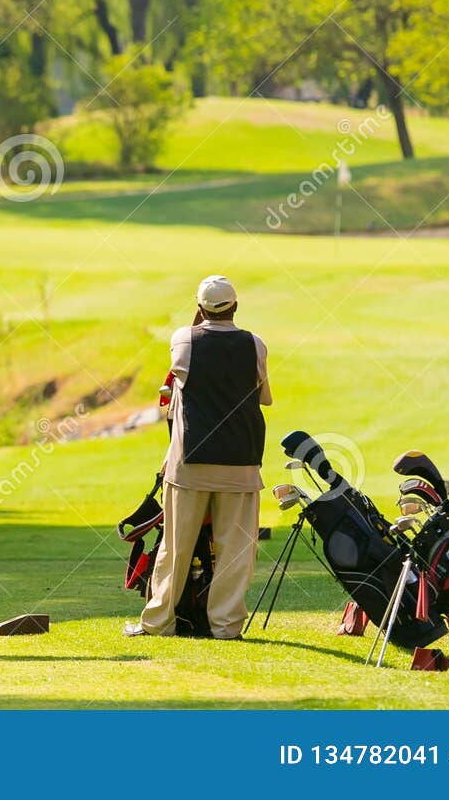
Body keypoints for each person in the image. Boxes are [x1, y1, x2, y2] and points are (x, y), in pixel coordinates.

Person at [125, 275, 271, 641]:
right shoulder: (255, 344)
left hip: (190, 463)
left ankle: (159, 623)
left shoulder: (182, 339)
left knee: (175, 547)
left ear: (199, 307)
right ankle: (225, 626)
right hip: (241, 459)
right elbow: (263, 397)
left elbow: (181, 375)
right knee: (236, 551)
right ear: (235, 306)